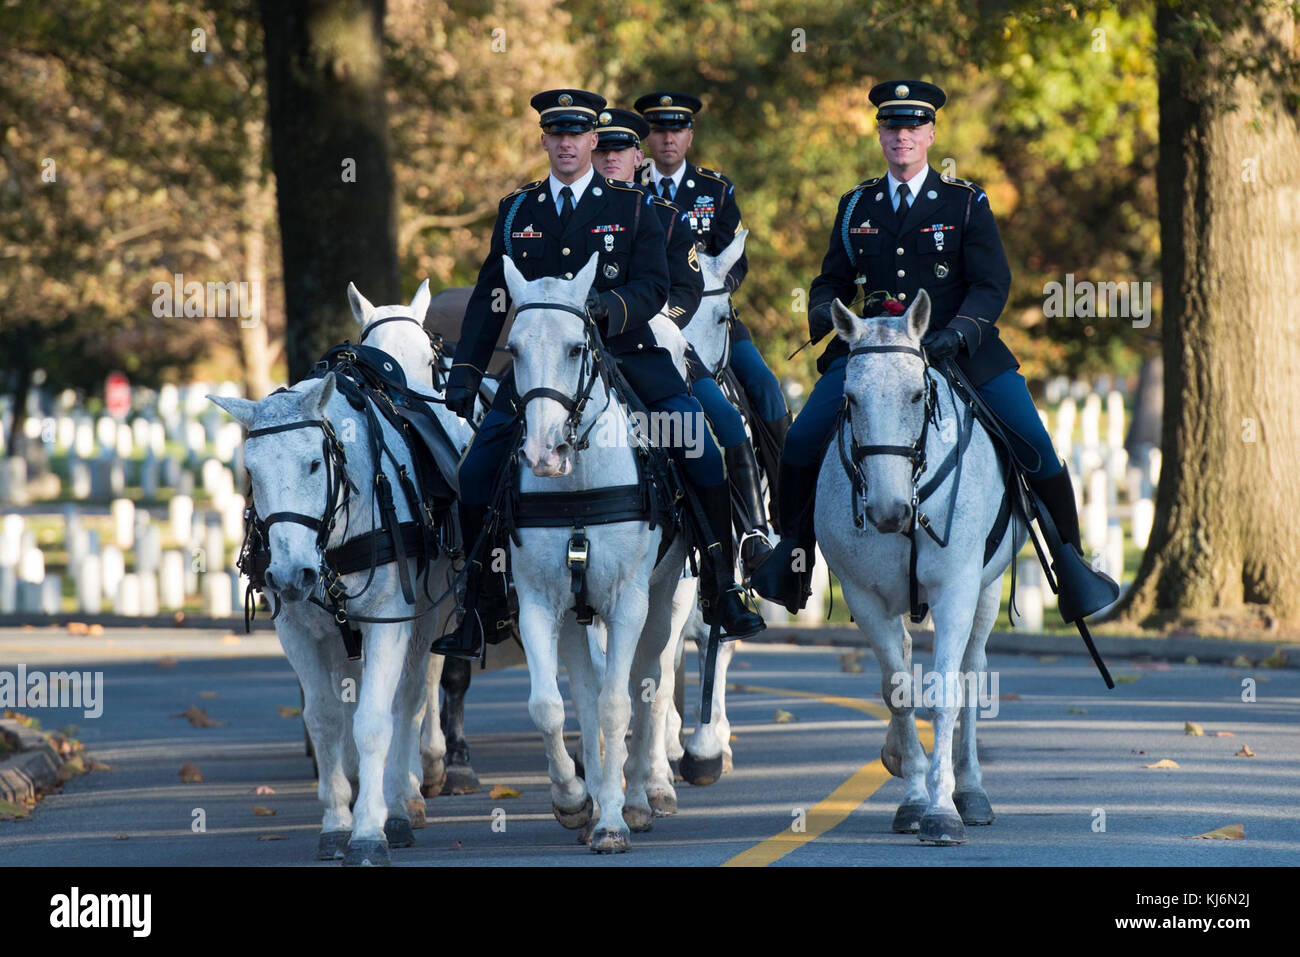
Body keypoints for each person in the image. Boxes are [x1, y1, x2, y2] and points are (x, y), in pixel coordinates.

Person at [750, 79, 1119, 618]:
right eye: (891, 126)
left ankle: (1070, 563)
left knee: (1033, 441)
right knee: (803, 439)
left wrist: (960, 332)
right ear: (879, 134)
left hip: (959, 351)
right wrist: (823, 310)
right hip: (876, 356)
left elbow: (992, 284)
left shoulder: (965, 202)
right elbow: (832, 278)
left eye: (912, 126)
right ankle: (795, 553)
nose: (901, 136)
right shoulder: (857, 205)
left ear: (930, 134)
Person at [434, 89, 763, 658]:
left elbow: (657, 286)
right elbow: (490, 297)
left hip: (628, 355)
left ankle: (721, 586)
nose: (566, 144)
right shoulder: (518, 211)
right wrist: (464, 374)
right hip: (542, 370)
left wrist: (610, 309)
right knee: (477, 469)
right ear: (544, 141)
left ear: (592, 140)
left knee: (702, 451)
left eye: (576, 134)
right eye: (555, 134)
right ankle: (480, 601)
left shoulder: (631, 207)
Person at [593, 107, 772, 575]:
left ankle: (750, 536)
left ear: (637, 154)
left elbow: (692, 284)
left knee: (737, 416)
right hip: (579, 349)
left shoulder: (680, 207)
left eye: (620, 149)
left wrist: (662, 322)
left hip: (675, 335)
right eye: (603, 148)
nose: (612, 158)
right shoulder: (563, 210)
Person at [633, 91, 792, 530]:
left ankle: (782, 505)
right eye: (659, 130)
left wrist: (718, 285)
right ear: (646, 139)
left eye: (677, 130)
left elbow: (736, 257)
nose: (668, 140)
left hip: (712, 312)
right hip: (650, 319)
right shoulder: (630, 188)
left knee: (763, 385)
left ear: (690, 135)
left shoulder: (716, 189)